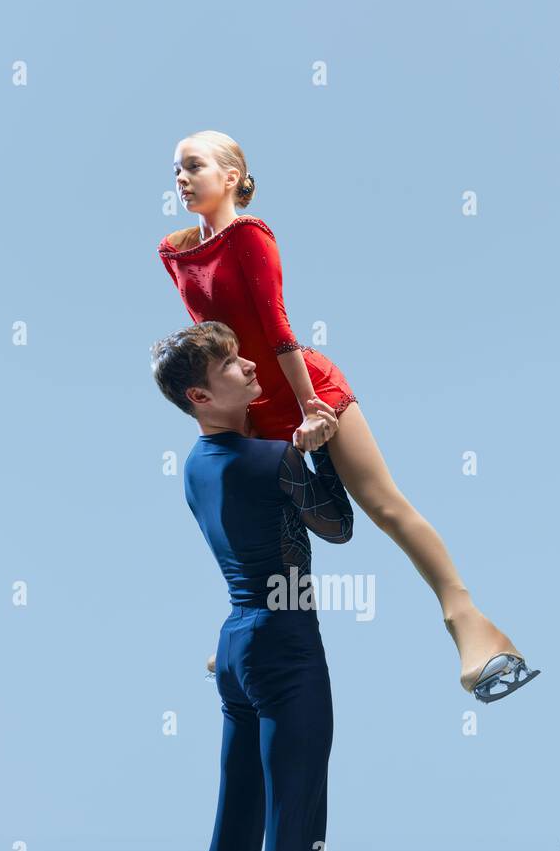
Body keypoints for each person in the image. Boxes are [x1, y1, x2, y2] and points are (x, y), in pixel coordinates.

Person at [157, 129, 540, 704]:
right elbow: (215, 344)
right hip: (250, 395)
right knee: (256, 522)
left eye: (193, 166)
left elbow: (276, 327)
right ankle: (246, 625)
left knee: (382, 504)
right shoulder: (175, 251)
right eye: (175, 171)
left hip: (304, 384)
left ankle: (468, 623)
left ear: (232, 176)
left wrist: (310, 404)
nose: (181, 179)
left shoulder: (251, 236)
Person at [150, 319, 380, 851]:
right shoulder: (266, 459)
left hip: (235, 643)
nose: (251, 367)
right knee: (297, 815)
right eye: (230, 366)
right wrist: (312, 450)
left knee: (239, 807)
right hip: (284, 647)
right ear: (198, 394)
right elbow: (339, 528)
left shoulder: (195, 463)